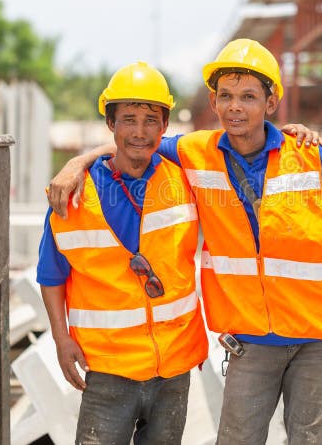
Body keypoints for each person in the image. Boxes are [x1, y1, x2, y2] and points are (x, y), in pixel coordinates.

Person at [49, 39, 322, 444]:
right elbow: (134, 139)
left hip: (318, 335)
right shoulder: (196, 152)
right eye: (227, 96)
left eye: (249, 96)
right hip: (252, 339)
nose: (236, 106)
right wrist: (79, 162)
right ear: (214, 103)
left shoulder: (306, 154)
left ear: (271, 104)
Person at [37, 61, 209, 444]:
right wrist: (61, 339)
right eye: (128, 119)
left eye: (151, 120)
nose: (139, 132)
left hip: (173, 368)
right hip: (107, 368)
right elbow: (51, 275)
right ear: (110, 124)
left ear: (165, 127)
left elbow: (242, 144)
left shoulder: (185, 181)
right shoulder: (73, 194)